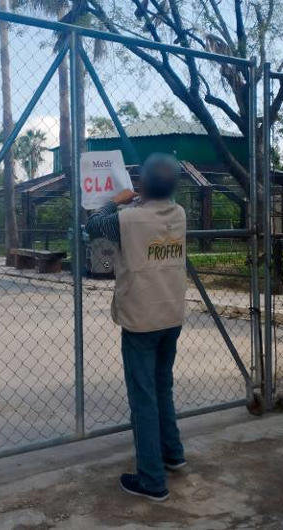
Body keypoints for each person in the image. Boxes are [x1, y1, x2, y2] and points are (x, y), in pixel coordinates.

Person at [85, 153, 187, 502]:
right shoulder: (179, 214)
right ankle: (172, 453)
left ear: (141, 185)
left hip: (141, 319)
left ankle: (152, 480)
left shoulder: (127, 219)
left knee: (143, 397)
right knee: (163, 387)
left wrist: (116, 199)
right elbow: (154, 209)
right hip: (171, 314)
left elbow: (95, 225)